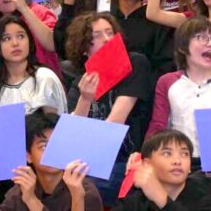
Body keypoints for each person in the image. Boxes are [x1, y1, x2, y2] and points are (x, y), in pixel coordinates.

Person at [64, 12, 153, 204]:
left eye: (110, 33)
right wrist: (85, 99)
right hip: (89, 162)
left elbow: (114, 125)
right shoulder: (79, 84)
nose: (107, 40)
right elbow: (73, 136)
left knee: (86, 187)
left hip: (126, 160)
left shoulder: (134, 63)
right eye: (96, 36)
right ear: (83, 48)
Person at [146, 17, 211, 162]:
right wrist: (144, 157)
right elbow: (158, 126)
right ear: (182, 47)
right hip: (177, 160)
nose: (210, 43)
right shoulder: (167, 81)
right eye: (201, 38)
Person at [0, 109, 102, 211]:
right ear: (28, 156)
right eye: (44, 146)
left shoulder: (85, 190)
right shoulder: (21, 190)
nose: (53, 151)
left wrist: (32, 201)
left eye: (57, 143)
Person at [115, 130, 211, 211]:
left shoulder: (203, 193)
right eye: (167, 154)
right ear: (147, 164)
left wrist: (161, 198)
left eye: (184, 154)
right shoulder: (134, 201)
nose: (177, 161)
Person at [0, 15, 66, 114]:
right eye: (6, 38)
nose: (15, 43)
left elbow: (54, 125)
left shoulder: (44, 78)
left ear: (30, 42)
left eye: (20, 36)